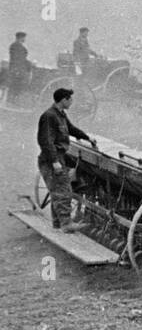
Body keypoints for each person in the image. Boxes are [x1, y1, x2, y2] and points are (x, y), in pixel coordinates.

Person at [37, 87, 98, 233]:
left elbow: (71, 129)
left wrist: (87, 137)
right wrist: (54, 161)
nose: (72, 102)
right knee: (63, 190)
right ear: (64, 100)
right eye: (70, 99)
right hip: (52, 159)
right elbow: (45, 141)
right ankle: (66, 224)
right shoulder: (49, 116)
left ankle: (58, 223)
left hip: (57, 157)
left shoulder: (60, 115)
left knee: (56, 190)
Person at [8, 31, 30, 104]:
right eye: (23, 37)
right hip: (18, 70)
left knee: (15, 86)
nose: (24, 39)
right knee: (16, 86)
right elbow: (20, 59)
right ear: (20, 38)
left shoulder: (14, 46)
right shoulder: (17, 46)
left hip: (16, 69)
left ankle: (12, 101)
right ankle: (13, 102)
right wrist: (29, 64)